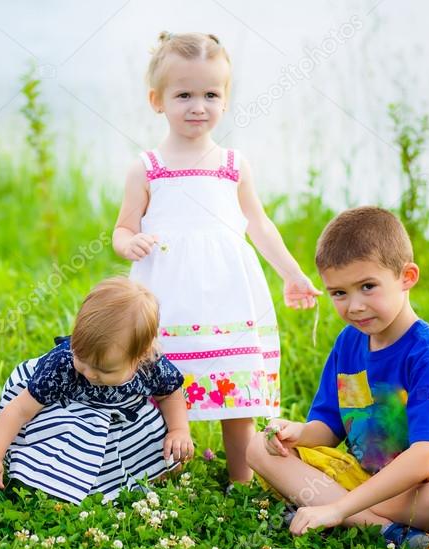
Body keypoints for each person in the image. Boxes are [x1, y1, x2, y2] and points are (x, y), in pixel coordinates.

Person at [112, 31, 320, 485]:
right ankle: (161, 470)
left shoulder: (233, 164)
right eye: (183, 95)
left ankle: (241, 480)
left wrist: (292, 273)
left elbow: (259, 225)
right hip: (166, 295)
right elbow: (123, 227)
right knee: (160, 384)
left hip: (227, 296)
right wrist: (129, 244)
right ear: (157, 100)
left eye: (211, 94)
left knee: (234, 388)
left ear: (225, 100)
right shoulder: (147, 168)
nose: (198, 106)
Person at [247, 206, 429, 549]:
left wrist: (338, 505)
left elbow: (424, 458)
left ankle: (336, 512)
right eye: (339, 293)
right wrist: (298, 432)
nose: (355, 306)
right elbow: (329, 428)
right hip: (361, 476)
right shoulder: (349, 343)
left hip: (421, 488)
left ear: (407, 276)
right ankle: (384, 530)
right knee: (258, 446)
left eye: (367, 287)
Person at [0, 278, 192, 504]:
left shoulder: (151, 365)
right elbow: (19, 410)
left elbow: (170, 394)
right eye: (82, 359)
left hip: (122, 422)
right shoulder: (62, 365)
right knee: (59, 455)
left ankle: (132, 475)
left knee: (155, 445)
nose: (90, 374)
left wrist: (179, 429)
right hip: (68, 416)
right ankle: (55, 479)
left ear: (140, 356)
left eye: (104, 369)